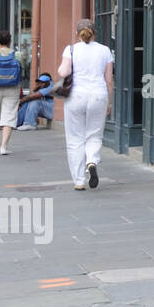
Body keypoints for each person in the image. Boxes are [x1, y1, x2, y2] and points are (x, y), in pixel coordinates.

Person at [56, 18, 114, 191]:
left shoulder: (71, 49)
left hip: (76, 96)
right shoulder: (105, 51)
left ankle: (79, 180)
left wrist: (62, 70)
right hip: (98, 95)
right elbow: (108, 80)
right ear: (94, 33)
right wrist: (109, 103)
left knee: (75, 139)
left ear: (77, 33)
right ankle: (92, 161)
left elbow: (64, 72)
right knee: (94, 135)